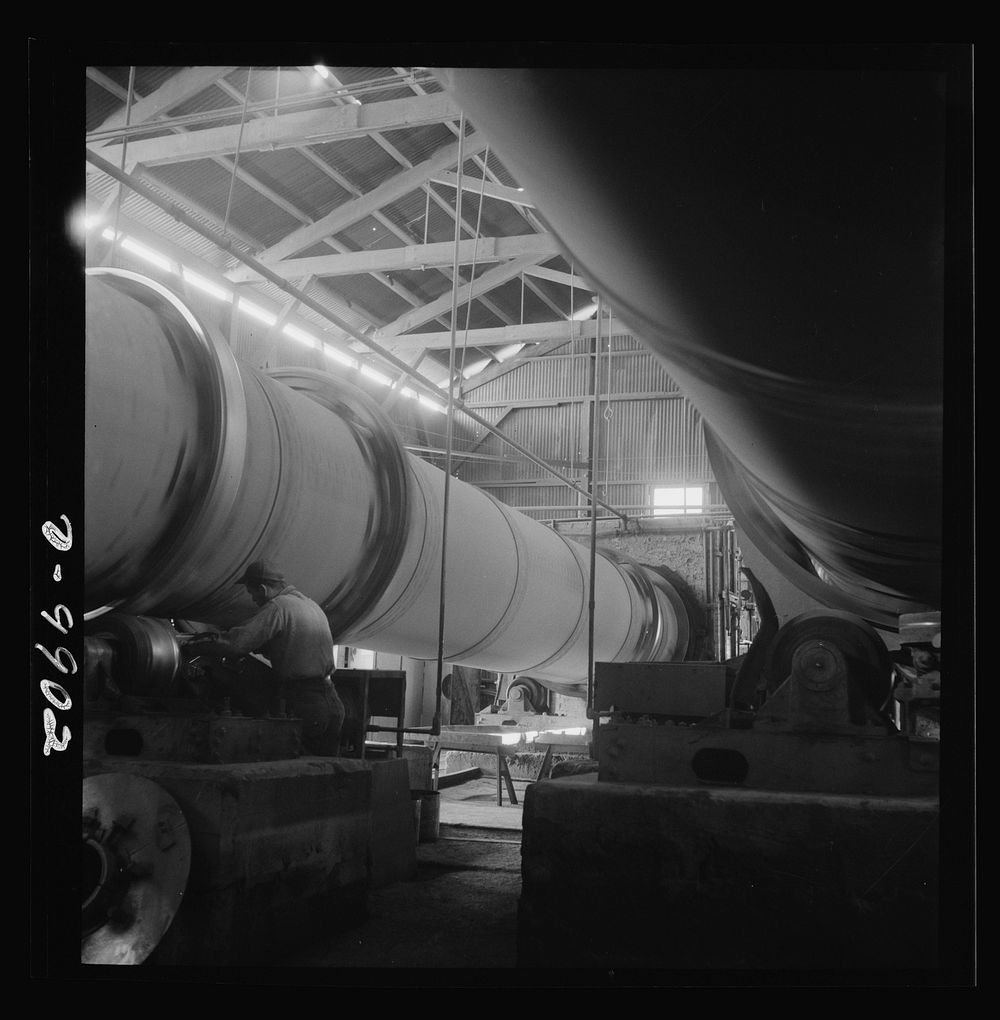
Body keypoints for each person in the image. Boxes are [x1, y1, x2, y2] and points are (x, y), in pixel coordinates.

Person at [187, 559, 345, 756]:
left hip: (304, 702)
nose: (253, 599)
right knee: (324, 773)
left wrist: (196, 647)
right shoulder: (311, 606)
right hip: (331, 702)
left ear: (262, 589)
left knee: (292, 768)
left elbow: (236, 644)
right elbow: (292, 645)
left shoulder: (277, 607)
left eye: (251, 593)